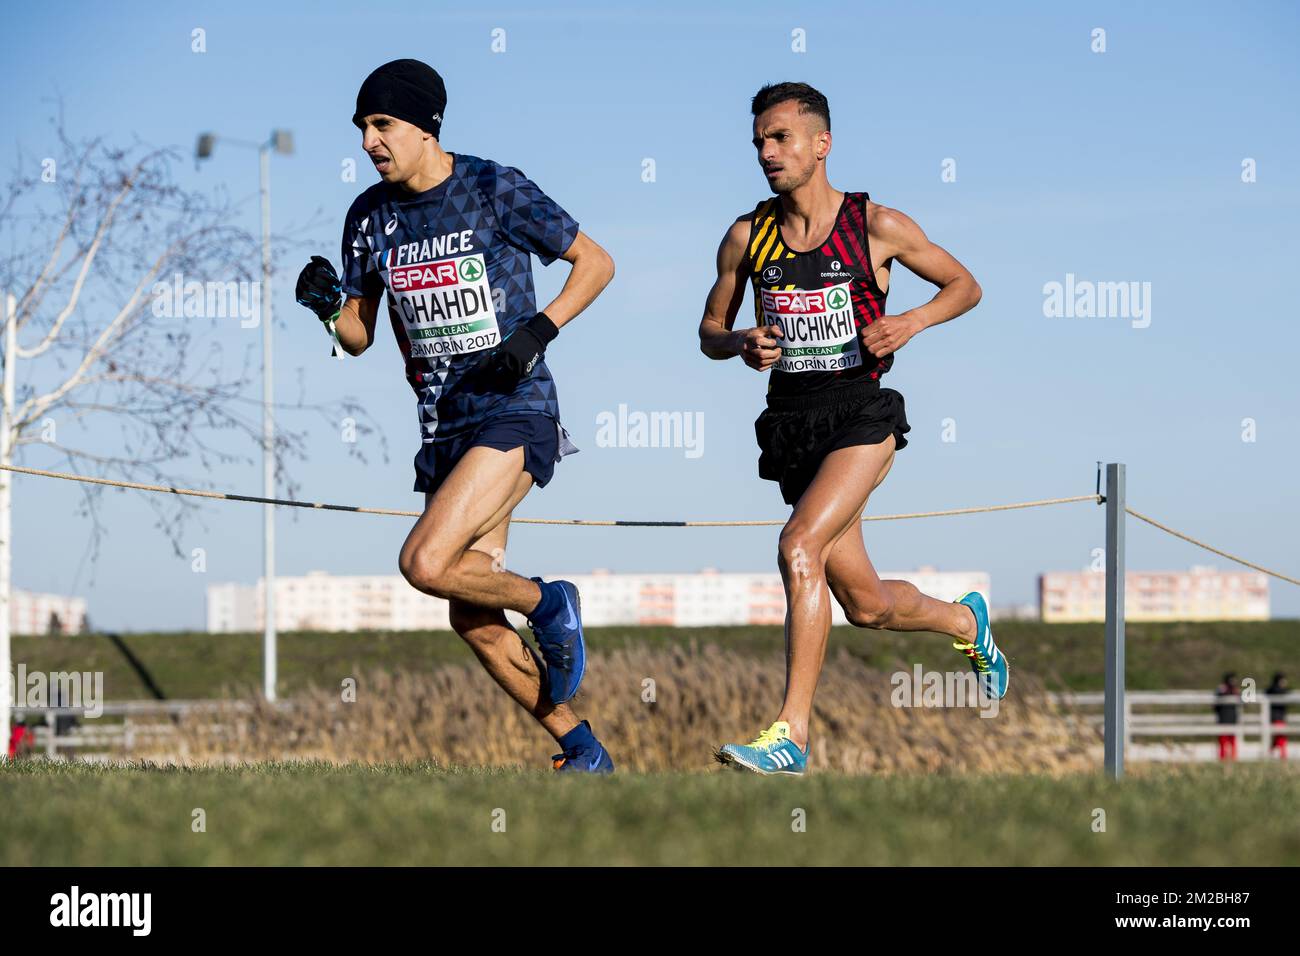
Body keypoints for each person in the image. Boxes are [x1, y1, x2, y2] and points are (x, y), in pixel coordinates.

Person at [295, 59, 616, 772]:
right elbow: (357, 334)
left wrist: (538, 331)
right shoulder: (368, 217)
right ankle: (583, 749)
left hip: (515, 410)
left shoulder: (491, 187)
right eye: (362, 128)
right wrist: (325, 306)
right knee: (469, 614)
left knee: (424, 561)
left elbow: (595, 263)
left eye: (382, 124)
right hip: (444, 428)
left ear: (425, 125)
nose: (369, 142)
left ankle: (549, 602)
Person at [698, 82, 1004, 775]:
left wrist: (910, 321)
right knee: (865, 605)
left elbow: (965, 285)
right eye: (759, 142)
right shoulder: (747, 236)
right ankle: (966, 621)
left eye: (780, 138)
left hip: (862, 414)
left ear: (821, 144)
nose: (767, 152)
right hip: (791, 424)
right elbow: (709, 330)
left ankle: (791, 736)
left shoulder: (876, 225)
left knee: (798, 546)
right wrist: (740, 342)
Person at [1214, 673, 1240, 761]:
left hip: (1232, 719)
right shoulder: (1221, 690)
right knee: (1223, 740)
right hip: (1223, 718)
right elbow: (1216, 704)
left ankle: (1233, 757)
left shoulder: (1235, 690)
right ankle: (1222, 758)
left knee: (1232, 740)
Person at [1266, 672, 1288, 760]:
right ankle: (1283, 755)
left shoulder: (1272, 689)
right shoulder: (1276, 690)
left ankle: (1270, 752)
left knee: (1278, 737)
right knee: (1281, 737)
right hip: (1277, 717)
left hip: (1278, 717)